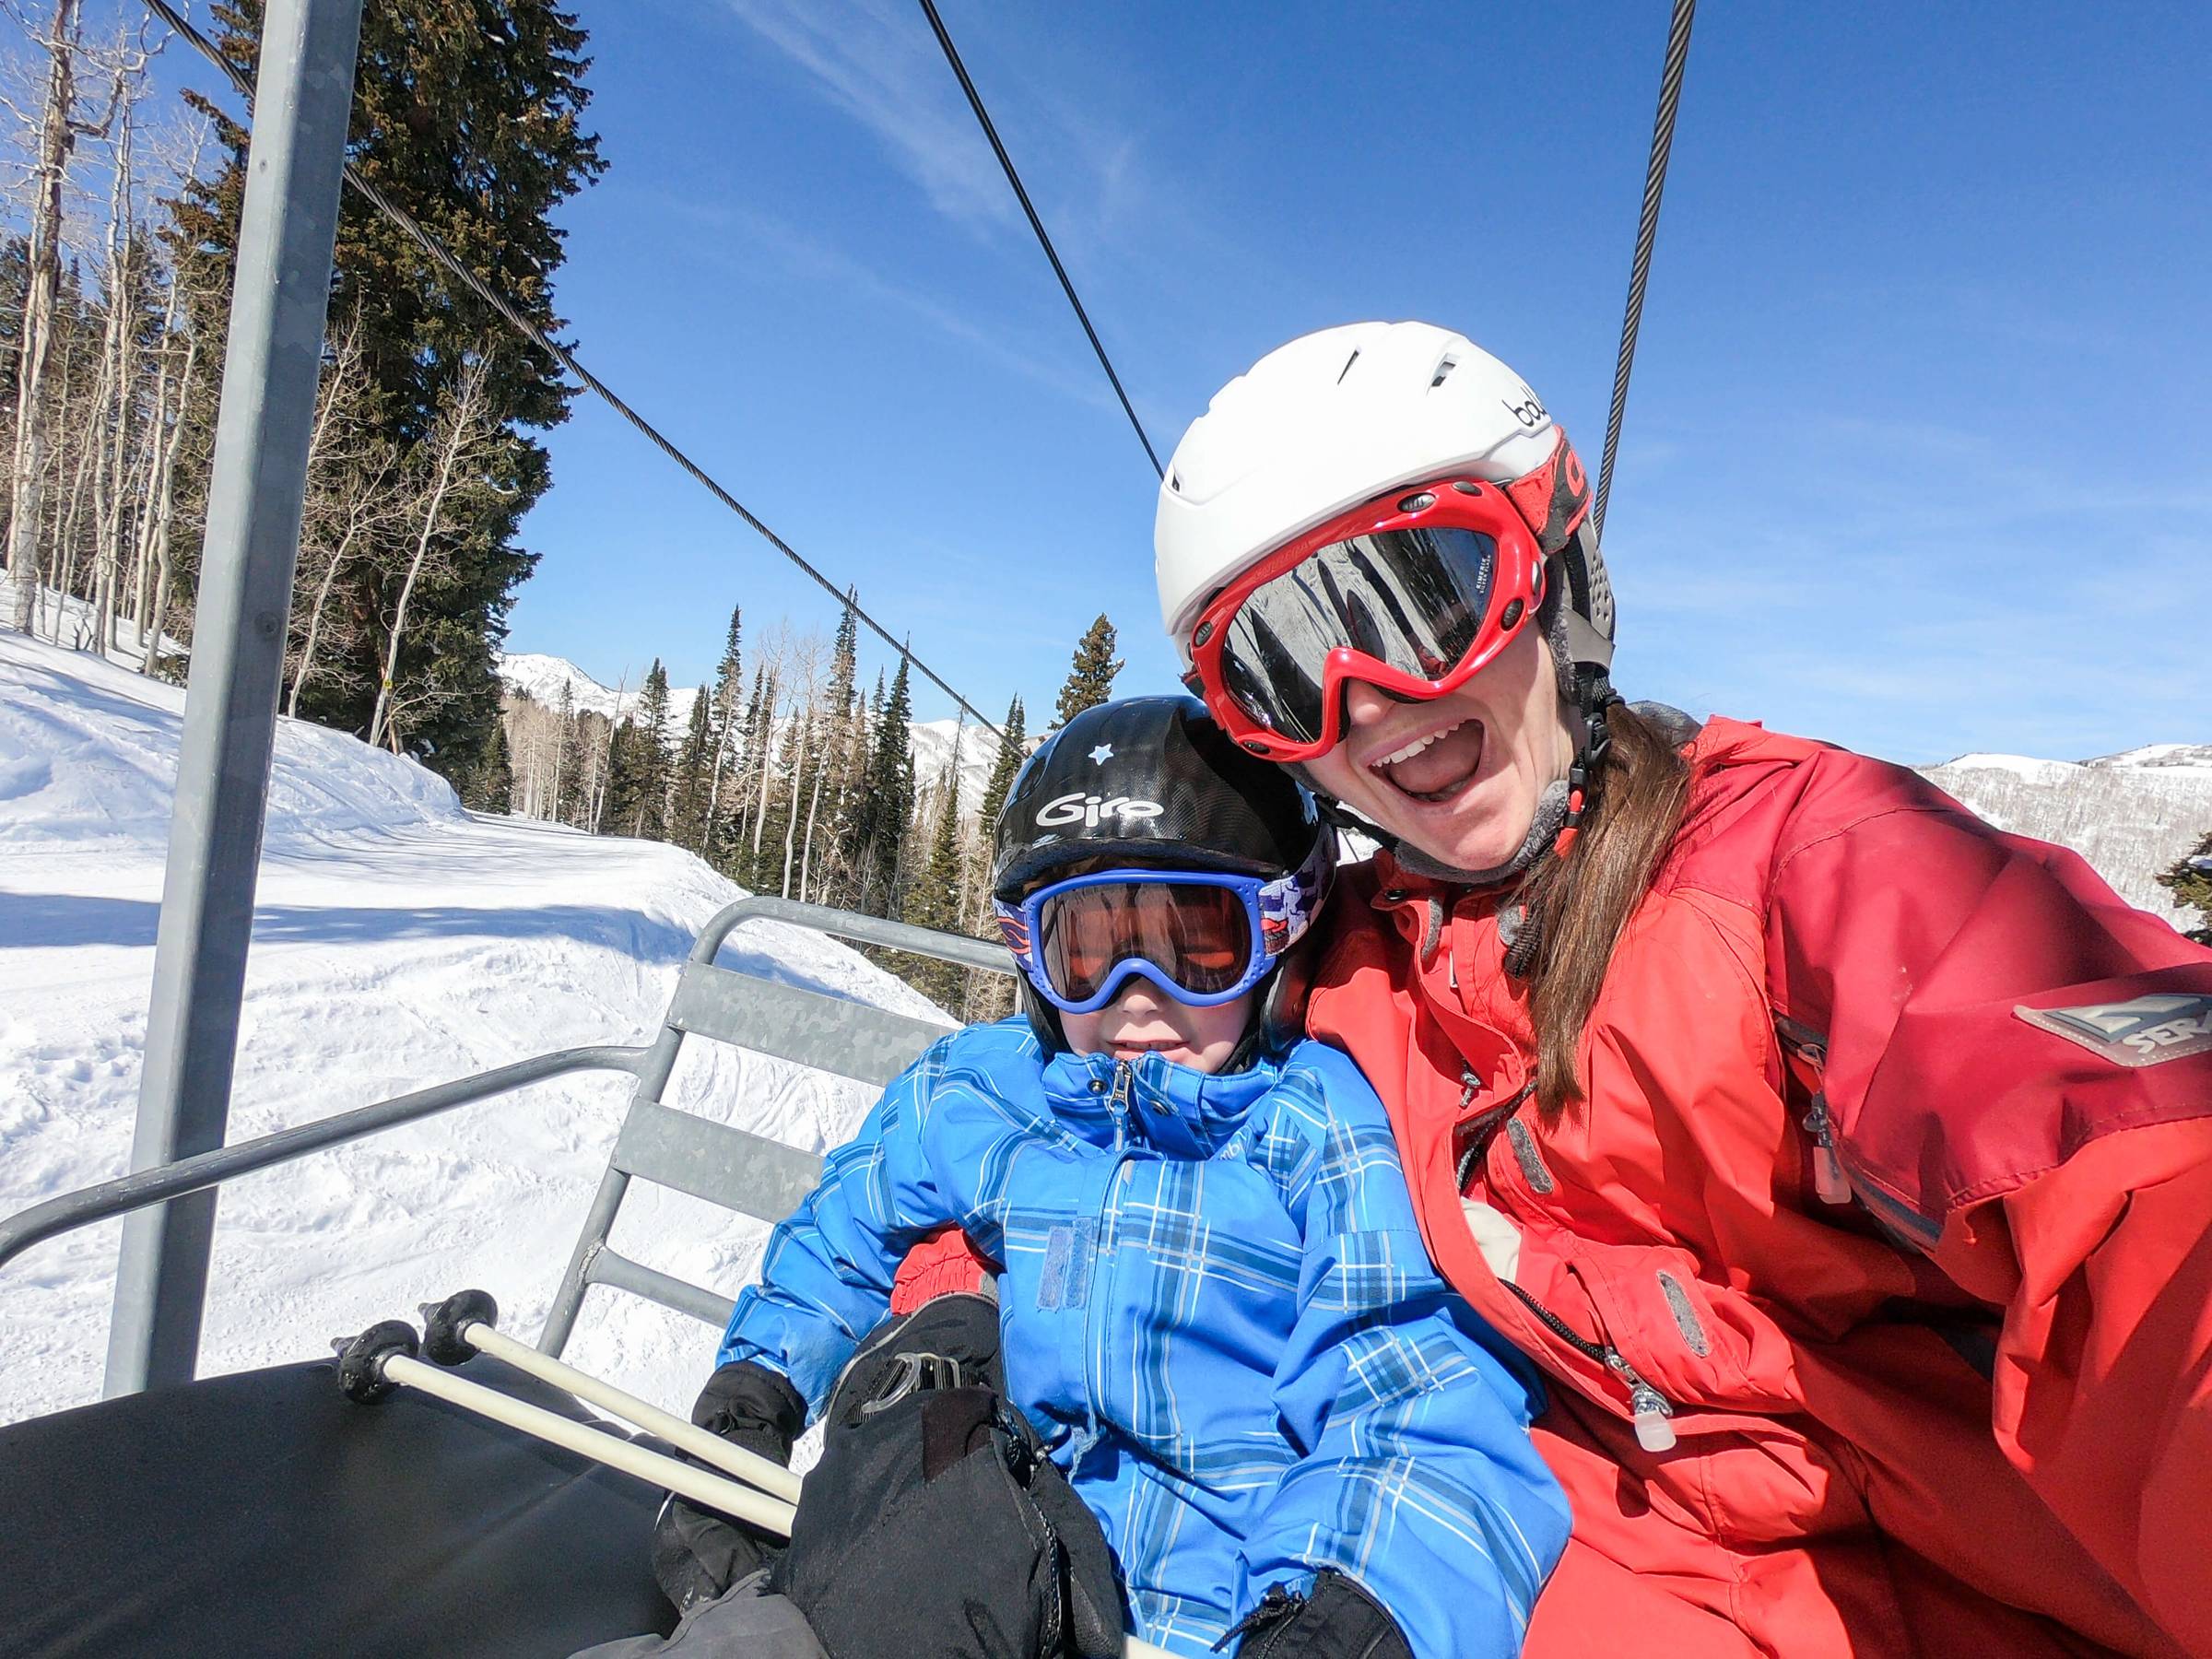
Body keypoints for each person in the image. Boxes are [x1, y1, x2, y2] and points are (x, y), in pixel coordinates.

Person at [1153, 320, 2212, 1659]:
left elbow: (2138, 1172)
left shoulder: (1805, 867)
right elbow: (1081, 1126)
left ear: (1557, 571)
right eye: (1286, 671)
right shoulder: (1354, 970)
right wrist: (946, 1333)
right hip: (1599, 1568)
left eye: (1427, 598)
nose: (1367, 706)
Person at [663, 697, 1571, 1659]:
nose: (1137, 1001)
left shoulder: (1318, 1133)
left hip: (1200, 1624)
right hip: (976, 1572)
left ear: (1283, 933)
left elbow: (1412, 1399)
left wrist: (1337, 1620)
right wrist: (752, 1396)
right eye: (1087, 950)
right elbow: (843, 1229)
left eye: (1195, 945)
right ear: (1033, 956)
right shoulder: (982, 1089)